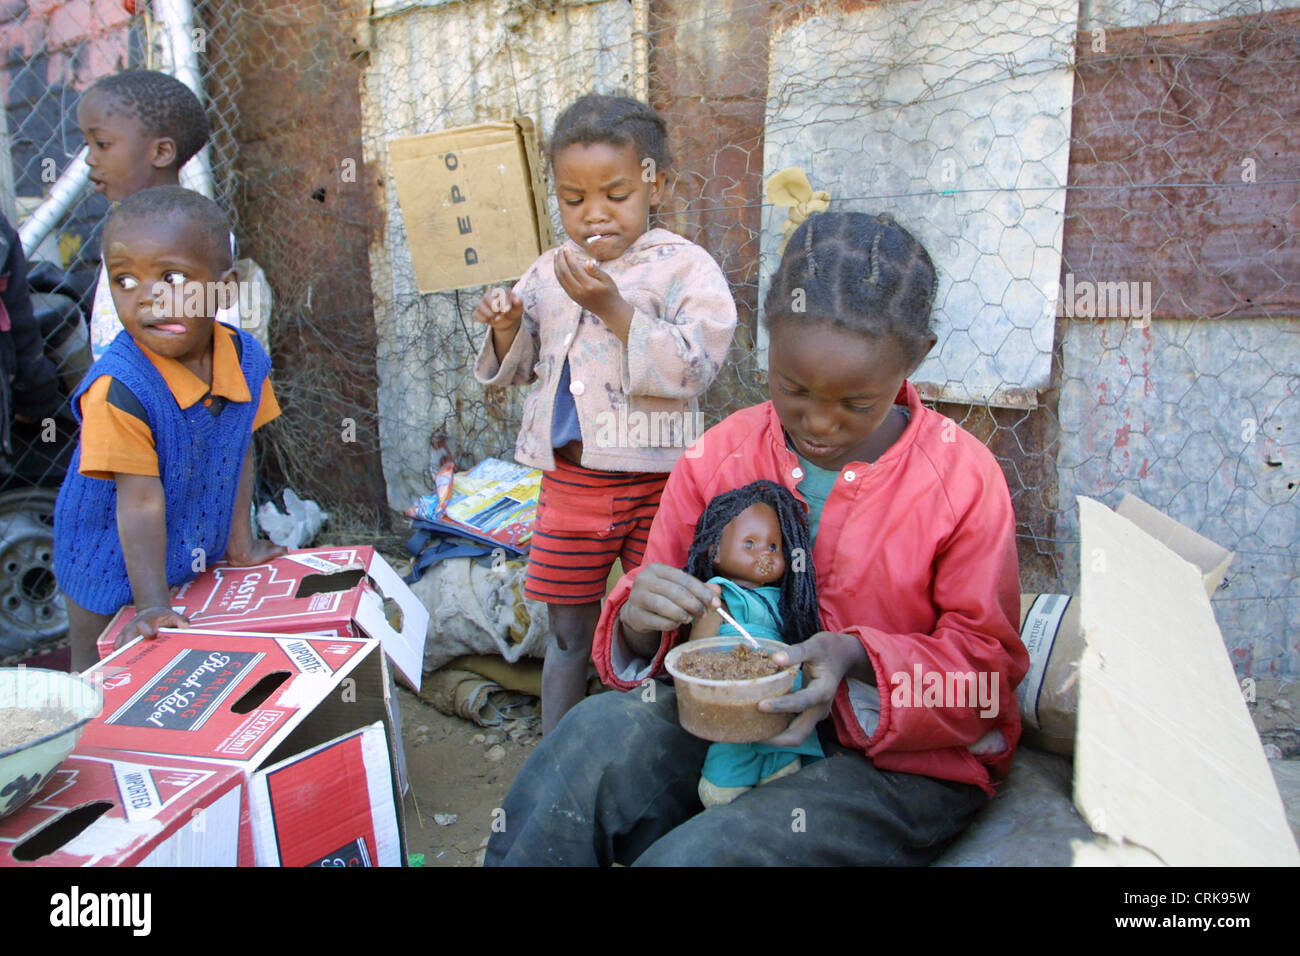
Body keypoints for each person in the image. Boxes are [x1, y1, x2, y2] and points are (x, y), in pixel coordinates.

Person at [486, 211, 1027, 866]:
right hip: (734, 721)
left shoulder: (963, 478)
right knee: (587, 749)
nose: (820, 423)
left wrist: (853, 659)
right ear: (768, 336)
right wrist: (635, 617)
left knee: (705, 857)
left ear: (918, 357)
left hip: (902, 759)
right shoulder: (721, 454)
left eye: (857, 402)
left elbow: (982, 679)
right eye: (793, 388)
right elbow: (648, 615)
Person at [472, 93, 737, 733]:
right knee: (567, 629)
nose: (594, 214)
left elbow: (696, 365)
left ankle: (651, 741)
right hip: (572, 485)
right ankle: (557, 757)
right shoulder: (547, 270)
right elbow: (519, 365)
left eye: (616, 195)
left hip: (661, 484)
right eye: (573, 199)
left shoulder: (684, 268)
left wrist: (618, 310)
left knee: (656, 622)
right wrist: (508, 326)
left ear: (656, 183)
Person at [53, 187, 285, 672]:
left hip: (183, 554)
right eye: (124, 280)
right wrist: (153, 605)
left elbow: (240, 451)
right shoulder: (120, 388)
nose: (147, 299)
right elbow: (138, 500)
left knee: (167, 681)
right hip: (107, 560)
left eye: (172, 277)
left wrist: (240, 543)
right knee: (95, 681)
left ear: (225, 288)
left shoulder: (247, 362)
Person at [76, 69, 235, 361]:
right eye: (87, 144)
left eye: (102, 144)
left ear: (161, 152)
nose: (89, 158)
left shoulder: (199, 237)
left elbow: (218, 346)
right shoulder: (124, 229)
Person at [683, 480, 824, 807]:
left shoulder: (788, 601)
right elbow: (697, 651)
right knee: (726, 776)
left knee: (783, 768)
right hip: (734, 702)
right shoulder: (719, 597)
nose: (765, 555)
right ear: (715, 550)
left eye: (773, 548)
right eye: (750, 544)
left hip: (780, 705)